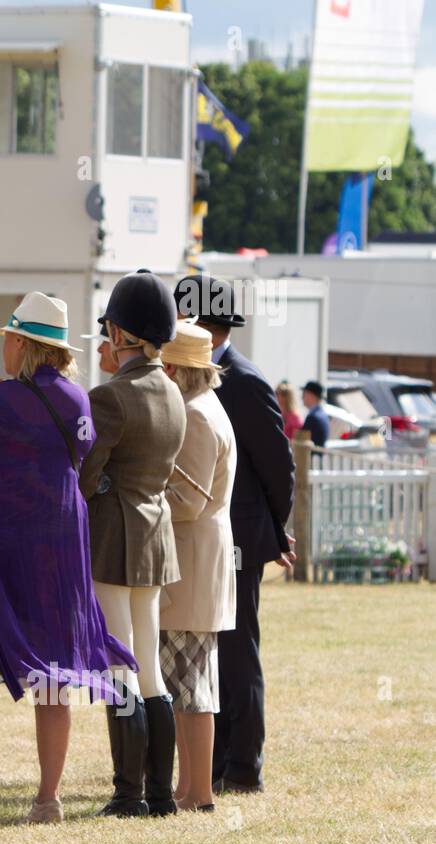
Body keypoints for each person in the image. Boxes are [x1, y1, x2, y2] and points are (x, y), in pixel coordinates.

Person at [0, 291, 137, 826]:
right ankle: (48, 800)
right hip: (58, 561)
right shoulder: (79, 402)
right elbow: (68, 453)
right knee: (53, 676)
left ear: (21, 344)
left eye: (8, 340)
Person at [174, 274, 295, 795]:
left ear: (202, 322)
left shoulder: (241, 379)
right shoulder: (208, 372)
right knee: (214, 651)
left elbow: (278, 466)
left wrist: (275, 531)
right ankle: (217, 763)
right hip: (221, 534)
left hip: (238, 536)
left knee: (237, 653)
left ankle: (243, 768)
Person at [80, 269, 187, 818]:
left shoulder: (111, 396)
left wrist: (96, 485)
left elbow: (83, 473)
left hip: (115, 537)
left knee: (119, 664)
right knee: (148, 665)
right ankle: (161, 794)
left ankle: (127, 795)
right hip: (154, 534)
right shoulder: (172, 391)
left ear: (120, 333)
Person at [158, 323, 237, 813]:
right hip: (197, 559)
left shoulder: (197, 416)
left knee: (191, 687)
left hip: (192, 559)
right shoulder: (206, 409)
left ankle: (199, 792)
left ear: (175, 369)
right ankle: (190, 790)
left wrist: (141, 497)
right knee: (188, 684)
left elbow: (188, 500)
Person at [301, 380, 330, 447]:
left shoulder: (313, 417)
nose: (302, 397)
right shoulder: (322, 414)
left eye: (304, 394)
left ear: (311, 395)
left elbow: (302, 440)